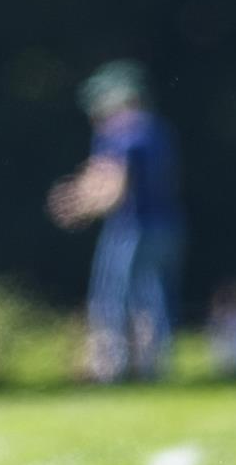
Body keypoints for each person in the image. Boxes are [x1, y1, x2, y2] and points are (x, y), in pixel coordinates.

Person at [48, 60, 185, 384]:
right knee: (153, 298)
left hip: (131, 230)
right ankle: (153, 367)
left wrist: (79, 206)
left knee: (112, 299)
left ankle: (113, 369)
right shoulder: (157, 128)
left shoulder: (119, 130)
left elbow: (112, 183)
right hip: (169, 227)